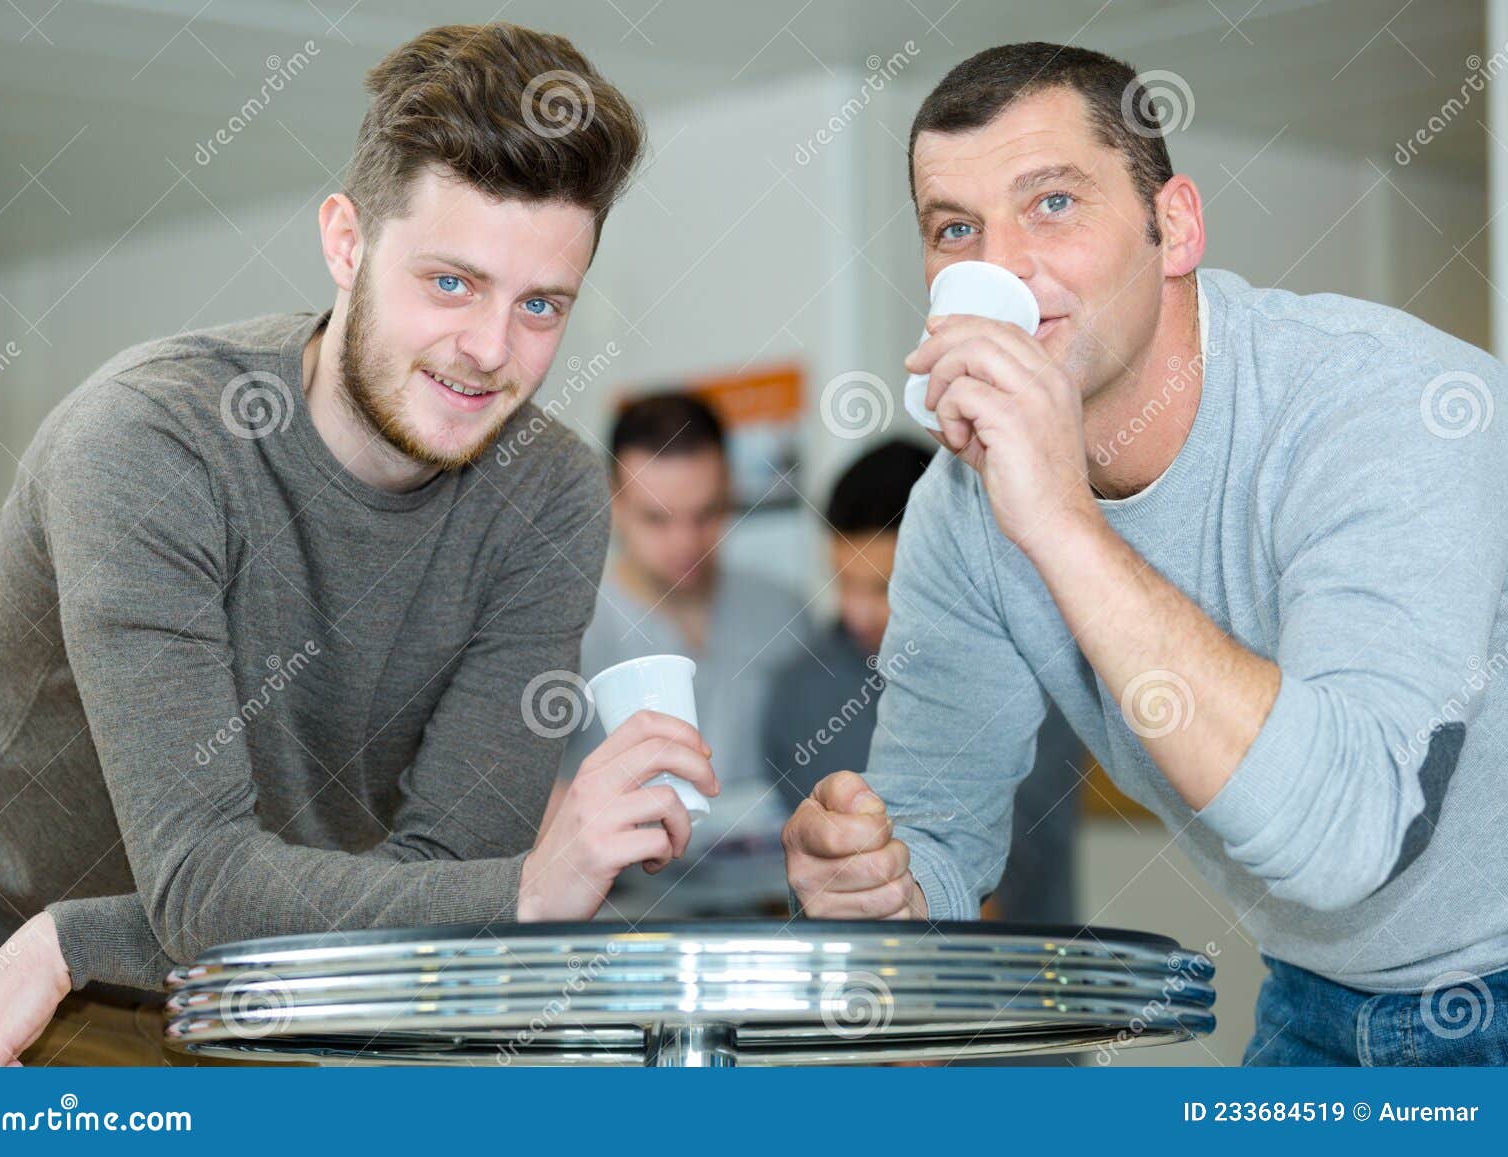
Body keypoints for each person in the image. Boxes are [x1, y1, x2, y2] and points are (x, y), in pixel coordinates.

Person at [0, 23, 719, 1067]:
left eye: (540, 305)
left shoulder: (549, 493)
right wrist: (522, 891)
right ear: (346, 241)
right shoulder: (150, 447)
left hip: (285, 971)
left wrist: (75, 941)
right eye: (449, 283)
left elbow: (447, 870)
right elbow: (206, 878)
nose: (488, 350)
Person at [782, 41, 1508, 1066]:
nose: (1001, 269)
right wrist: (877, 884)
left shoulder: (1389, 407)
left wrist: (1060, 518)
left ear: (1174, 227)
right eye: (956, 229)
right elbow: (937, 844)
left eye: (1052, 204)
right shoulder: (959, 505)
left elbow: (1350, 836)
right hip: (1315, 989)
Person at [763, 438, 1079, 923]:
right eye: (843, 582)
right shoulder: (801, 688)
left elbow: (1005, 861)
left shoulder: (1028, 672)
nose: (858, 613)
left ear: (940, 572)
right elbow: (795, 871)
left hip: (1025, 974)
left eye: (883, 587)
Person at [546, 393, 812, 918]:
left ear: (730, 491)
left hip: (770, 916)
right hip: (621, 926)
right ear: (613, 502)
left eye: (707, 514)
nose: (686, 542)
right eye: (657, 520)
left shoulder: (782, 609)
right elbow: (519, 801)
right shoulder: (561, 625)